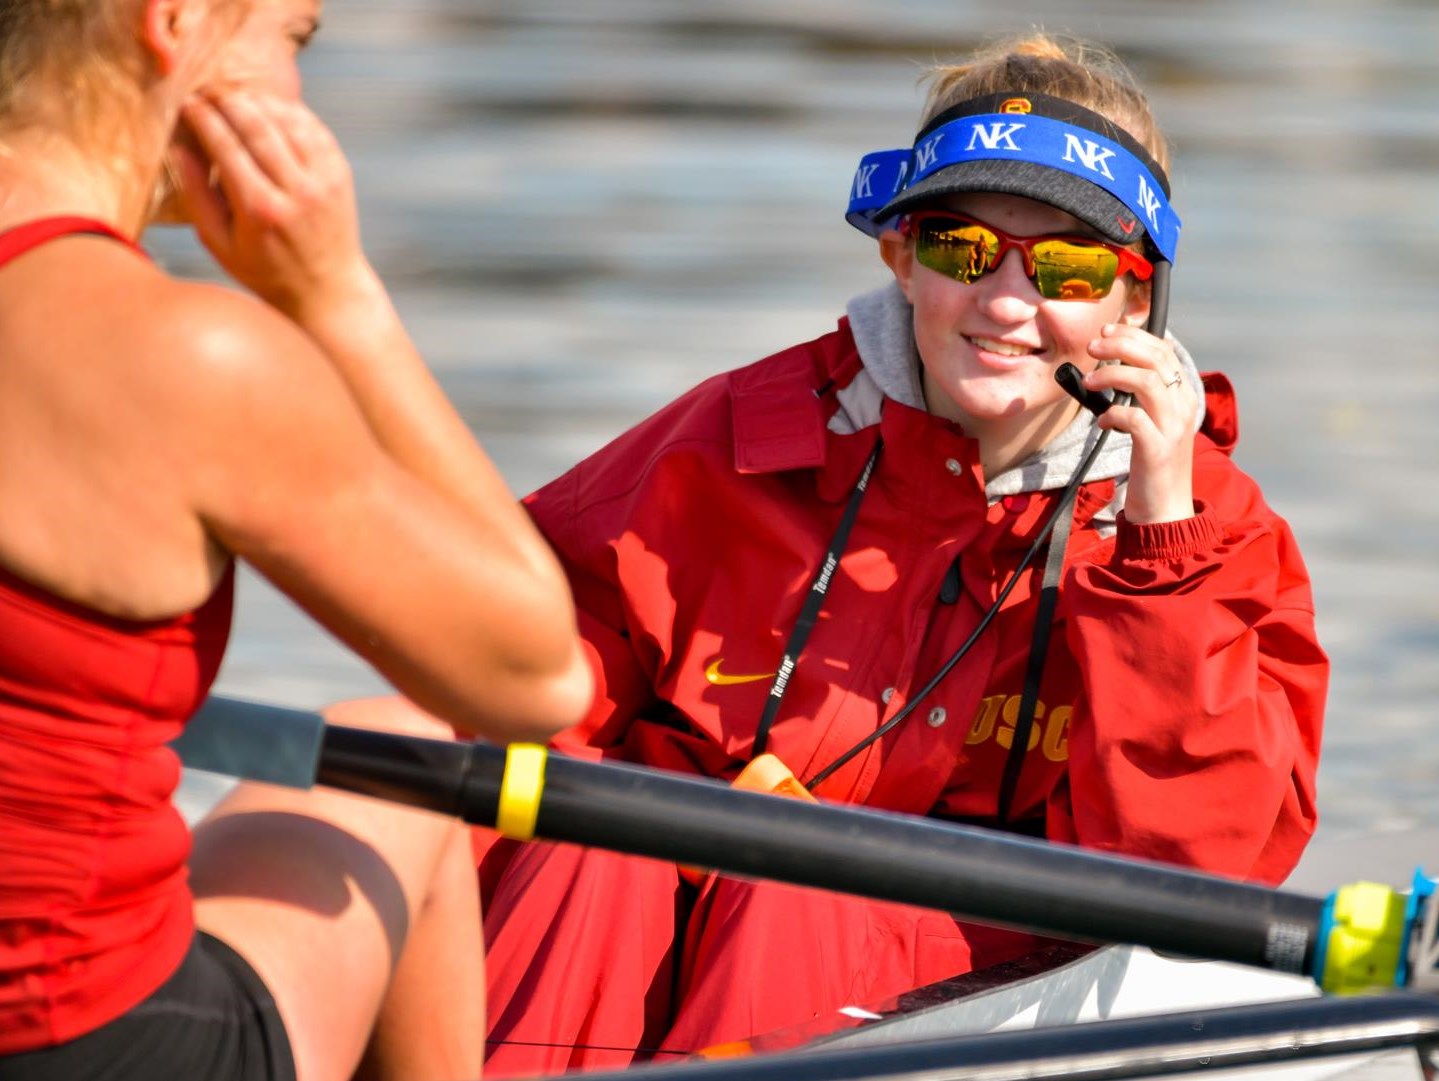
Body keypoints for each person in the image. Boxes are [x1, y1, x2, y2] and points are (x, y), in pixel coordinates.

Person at [472, 32, 1330, 1076]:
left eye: (1065, 264)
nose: (1007, 303)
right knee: (588, 845)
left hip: (965, 977)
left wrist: (1157, 535)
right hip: (679, 921)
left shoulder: (1210, 530)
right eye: (961, 248)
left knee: (789, 882)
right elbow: (500, 687)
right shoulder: (728, 438)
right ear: (898, 255)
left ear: (1135, 299)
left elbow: (1191, 881)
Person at [0, 1, 593, 1078]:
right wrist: (333, 295)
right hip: (73, 1045)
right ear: (173, 24)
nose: (299, 96)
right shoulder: (188, 357)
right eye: (295, 41)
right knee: (415, 756)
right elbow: (535, 675)